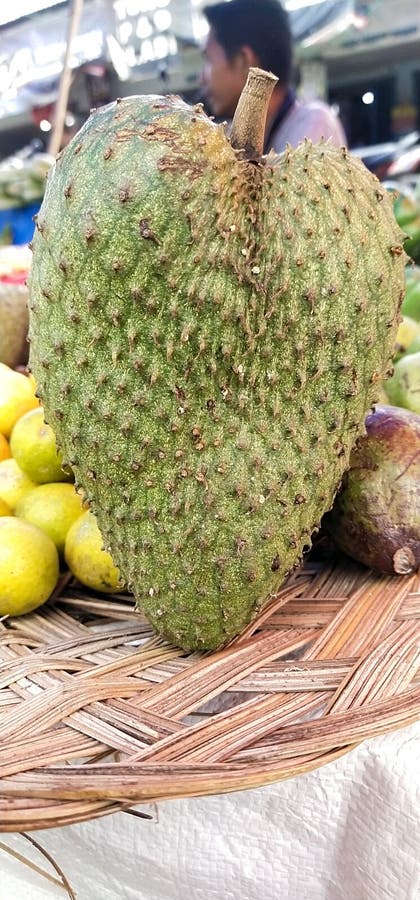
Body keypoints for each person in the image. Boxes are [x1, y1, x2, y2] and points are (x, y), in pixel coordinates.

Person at [201, 0, 347, 154]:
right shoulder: (246, 137)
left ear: (244, 61)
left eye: (208, 60)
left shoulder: (314, 125)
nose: (201, 78)